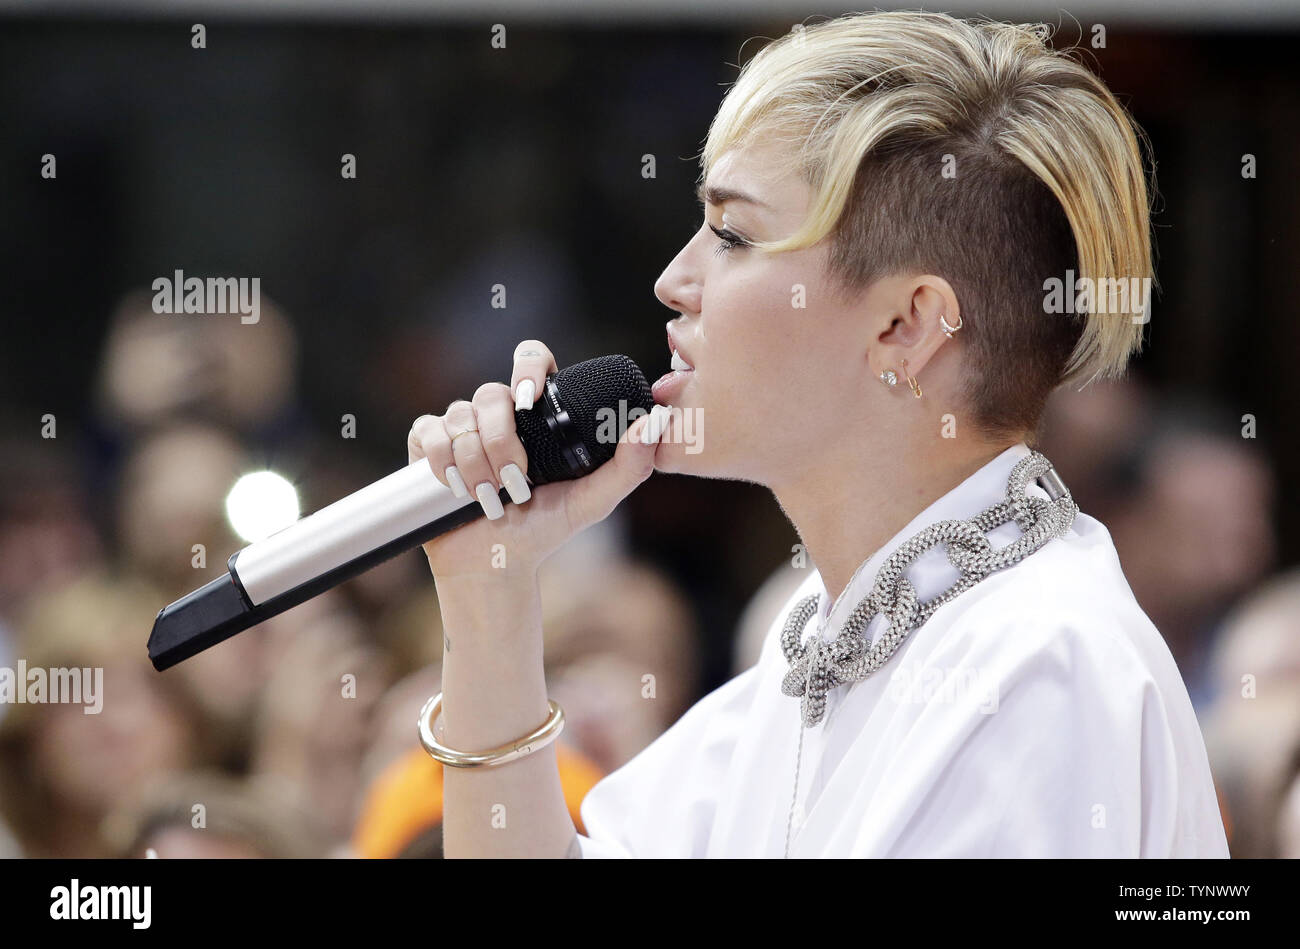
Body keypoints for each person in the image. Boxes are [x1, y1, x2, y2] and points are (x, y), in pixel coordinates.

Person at [404, 11, 1228, 857]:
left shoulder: (1040, 665)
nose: (673, 280)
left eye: (732, 235)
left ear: (908, 326)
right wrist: (488, 589)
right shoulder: (827, 629)